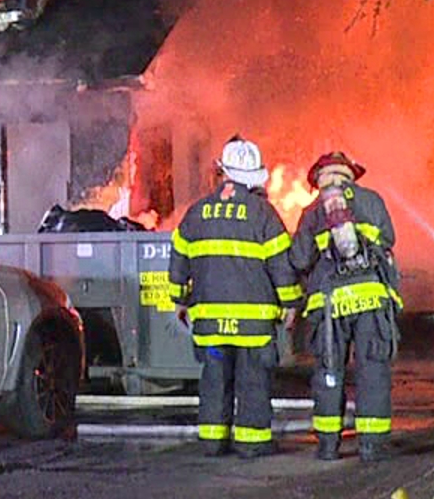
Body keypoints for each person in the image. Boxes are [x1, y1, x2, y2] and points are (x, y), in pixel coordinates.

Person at [168, 136, 301, 458]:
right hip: (253, 327)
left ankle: (213, 441)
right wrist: (291, 304)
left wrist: (179, 299)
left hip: (210, 323)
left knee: (214, 379)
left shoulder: (196, 213)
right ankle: (252, 443)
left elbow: (178, 261)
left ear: (222, 173)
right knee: (253, 380)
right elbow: (282, 266)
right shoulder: (264, 215)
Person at [289, 151, 400, 462]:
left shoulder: (312, 211)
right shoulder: (372, 201)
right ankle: (372, 445)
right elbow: (388, 240)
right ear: (350, 174)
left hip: (329, 304)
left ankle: (327, 445)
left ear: (319, 178)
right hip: (371, 301)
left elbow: (298, 259)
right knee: (373, 370)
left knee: (329, 370)